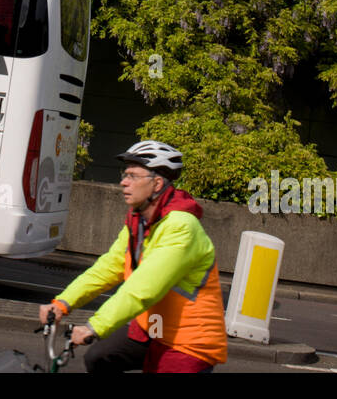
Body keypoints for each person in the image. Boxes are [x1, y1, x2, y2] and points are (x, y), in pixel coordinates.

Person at [38, 140, 228, 373]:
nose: (123, 182)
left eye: (133, 176)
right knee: (100, 357)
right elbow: (107, 268)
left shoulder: (181, 227)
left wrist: (94, 327)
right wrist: (62, 304)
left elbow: (143, 287)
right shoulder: (139, 221)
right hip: (155, 329)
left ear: (157, 183)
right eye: (124, 174)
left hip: (188, 341)